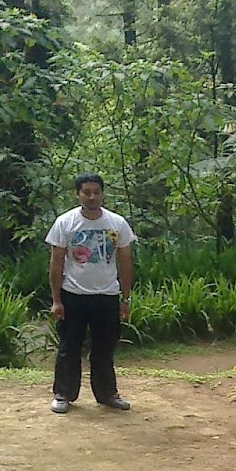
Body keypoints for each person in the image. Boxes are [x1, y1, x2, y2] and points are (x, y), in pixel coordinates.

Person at [45, 172, 135, 414]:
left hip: (107, 295)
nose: (92, 197)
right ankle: (63, 393)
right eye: (86, 192)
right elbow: (56, 262)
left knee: (104, 347)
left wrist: (125, 298)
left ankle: (107, 393)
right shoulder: (65, 223)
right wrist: (56, 300)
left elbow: (125, 262)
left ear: (102, 194)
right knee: (69, 346)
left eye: (96, 192)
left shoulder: (117, 223)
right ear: (78, 194)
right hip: (73, 294)